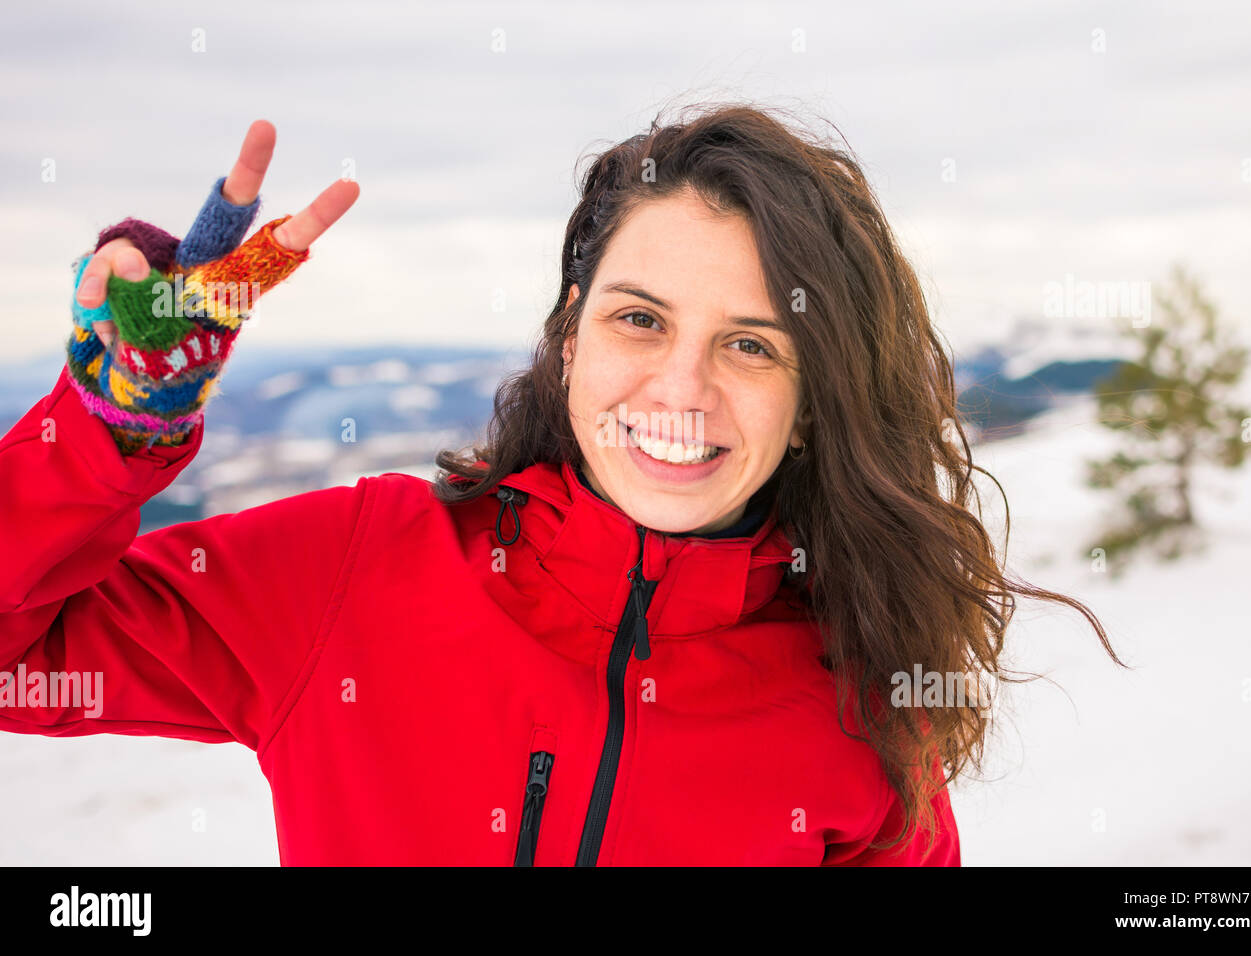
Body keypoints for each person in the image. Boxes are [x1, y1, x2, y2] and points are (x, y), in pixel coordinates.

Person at [0, 104, 1122, 866]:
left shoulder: (860, 707)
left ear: (813, 397)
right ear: (568, 339)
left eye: (752, 344)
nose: (680, 386)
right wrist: (108, 420)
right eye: (639, 318)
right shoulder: (355, 569)